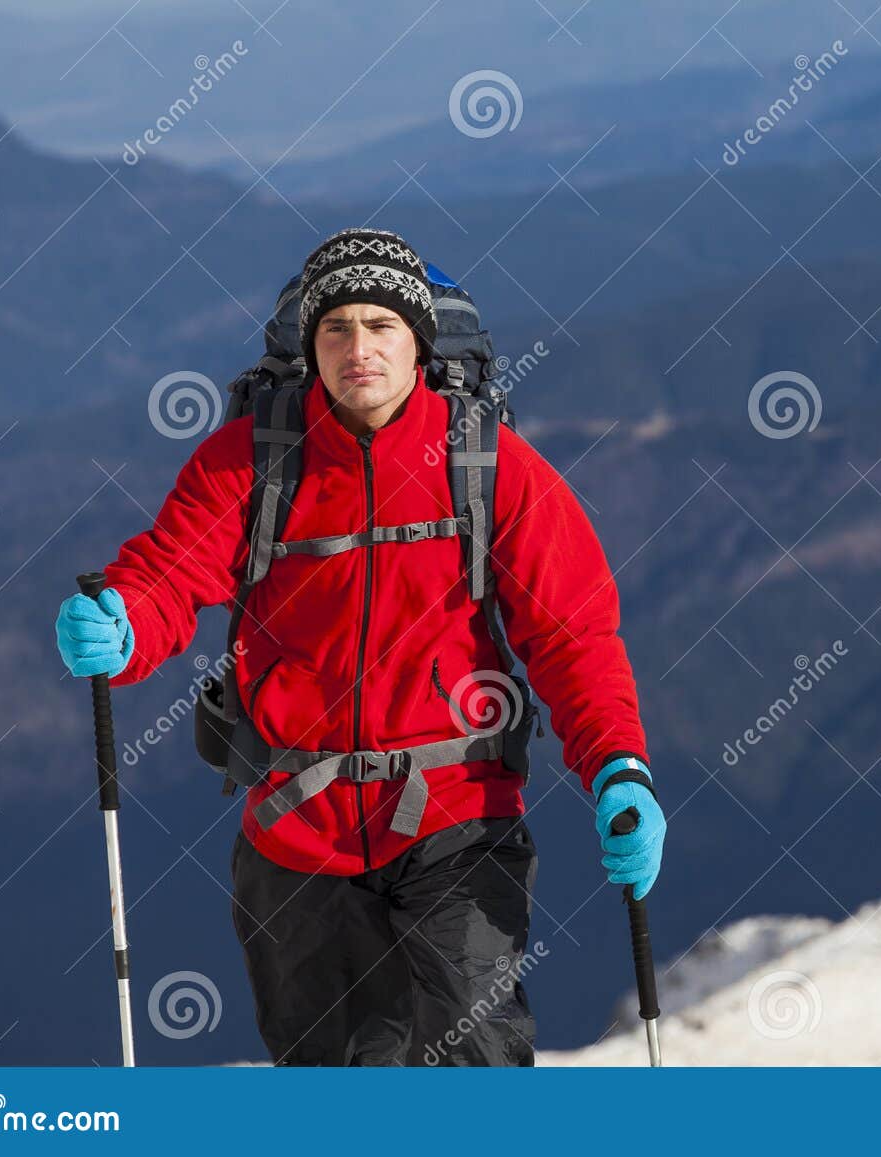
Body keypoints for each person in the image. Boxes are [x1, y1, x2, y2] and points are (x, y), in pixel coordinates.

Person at [53, 227, 665, 1066]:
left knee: (478, 1063)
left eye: (381, 325)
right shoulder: (251, 464)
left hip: (459, 819)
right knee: (332, 1085)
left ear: (419, 340)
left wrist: (618, 765)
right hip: (296, 837)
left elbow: (574, 637)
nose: (358, 348)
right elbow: (169, 575)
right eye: (337, 328)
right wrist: (121, 621)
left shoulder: (490, 468)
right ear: (312, 346)